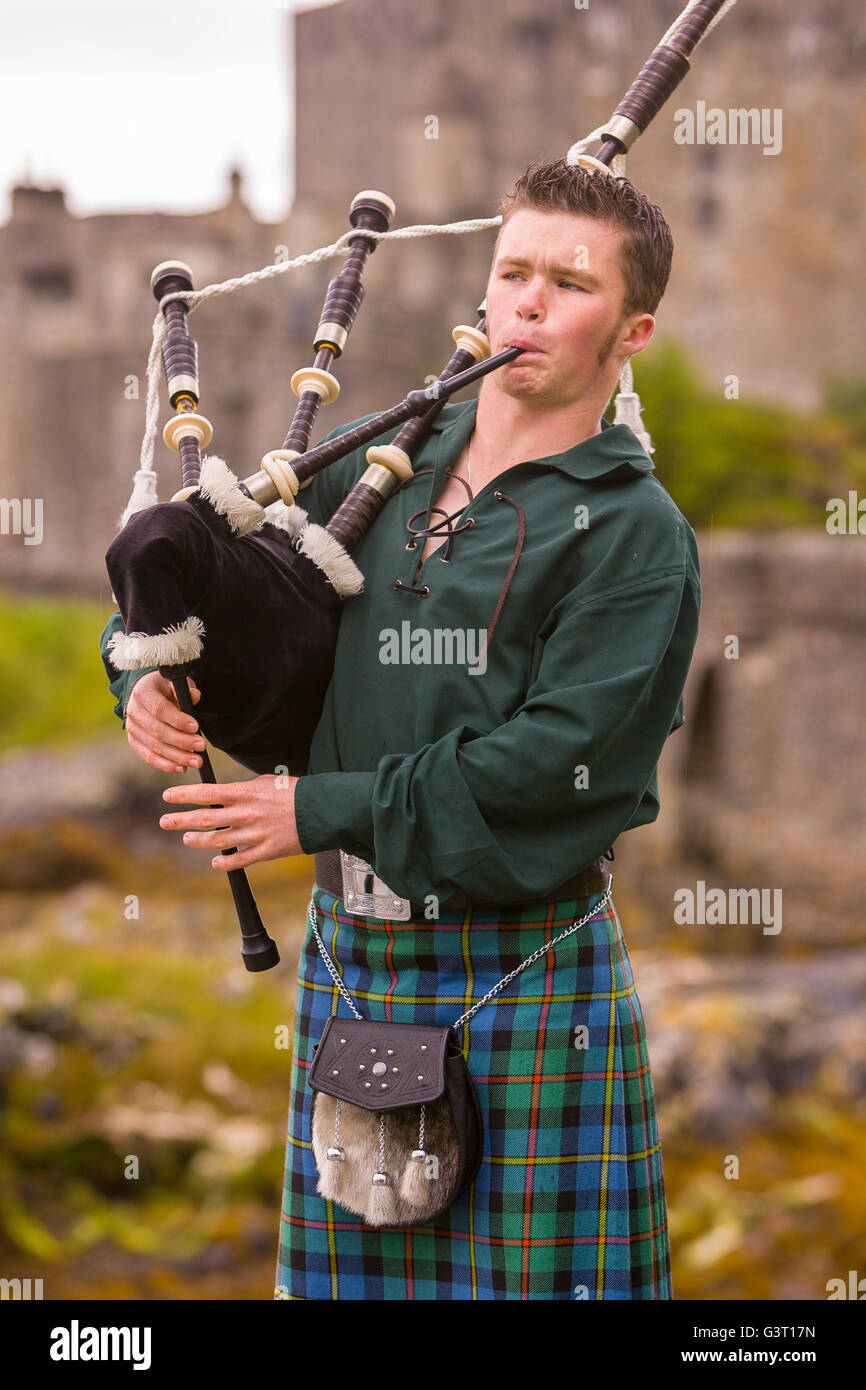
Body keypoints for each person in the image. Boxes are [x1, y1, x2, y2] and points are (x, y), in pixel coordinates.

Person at [100, 158, 701, 1300]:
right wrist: (147, 673)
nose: (524, 301)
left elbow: (548, 766)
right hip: (354, 963)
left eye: (566, 284)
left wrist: (313, 808)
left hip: (527, 974)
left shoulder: (633, 536)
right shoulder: (370, 473)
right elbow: (225, 603)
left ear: (632, 332)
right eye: (510, 271)